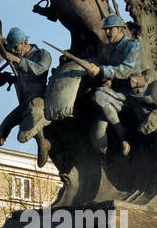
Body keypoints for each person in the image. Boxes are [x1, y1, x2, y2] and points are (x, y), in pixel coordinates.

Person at [58, 14, 141, 157]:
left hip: (134, 95)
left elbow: (126, 69)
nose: (107, 33)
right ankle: (117, 142)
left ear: (121, 29)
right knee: (96, 132)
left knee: (99, 96)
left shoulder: (133, 46)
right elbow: (100, 66)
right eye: (106, 30)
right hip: (113, 95)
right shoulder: (106, 50)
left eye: (111, 29)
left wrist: (102, 71)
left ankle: (122, 136)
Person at [0, 27, 52, 166]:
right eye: (11, 48)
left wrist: (17, 61)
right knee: (2, 132)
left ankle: (43, 143)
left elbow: (39, 70)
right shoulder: (18, 58)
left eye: (15, 47)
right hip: (24, 102)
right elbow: (19, 79)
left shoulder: (42, 54)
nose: (14, 50)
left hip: (39, 99)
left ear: (25, 42)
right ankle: (1, 137)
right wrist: (2, 78)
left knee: (26, 130)